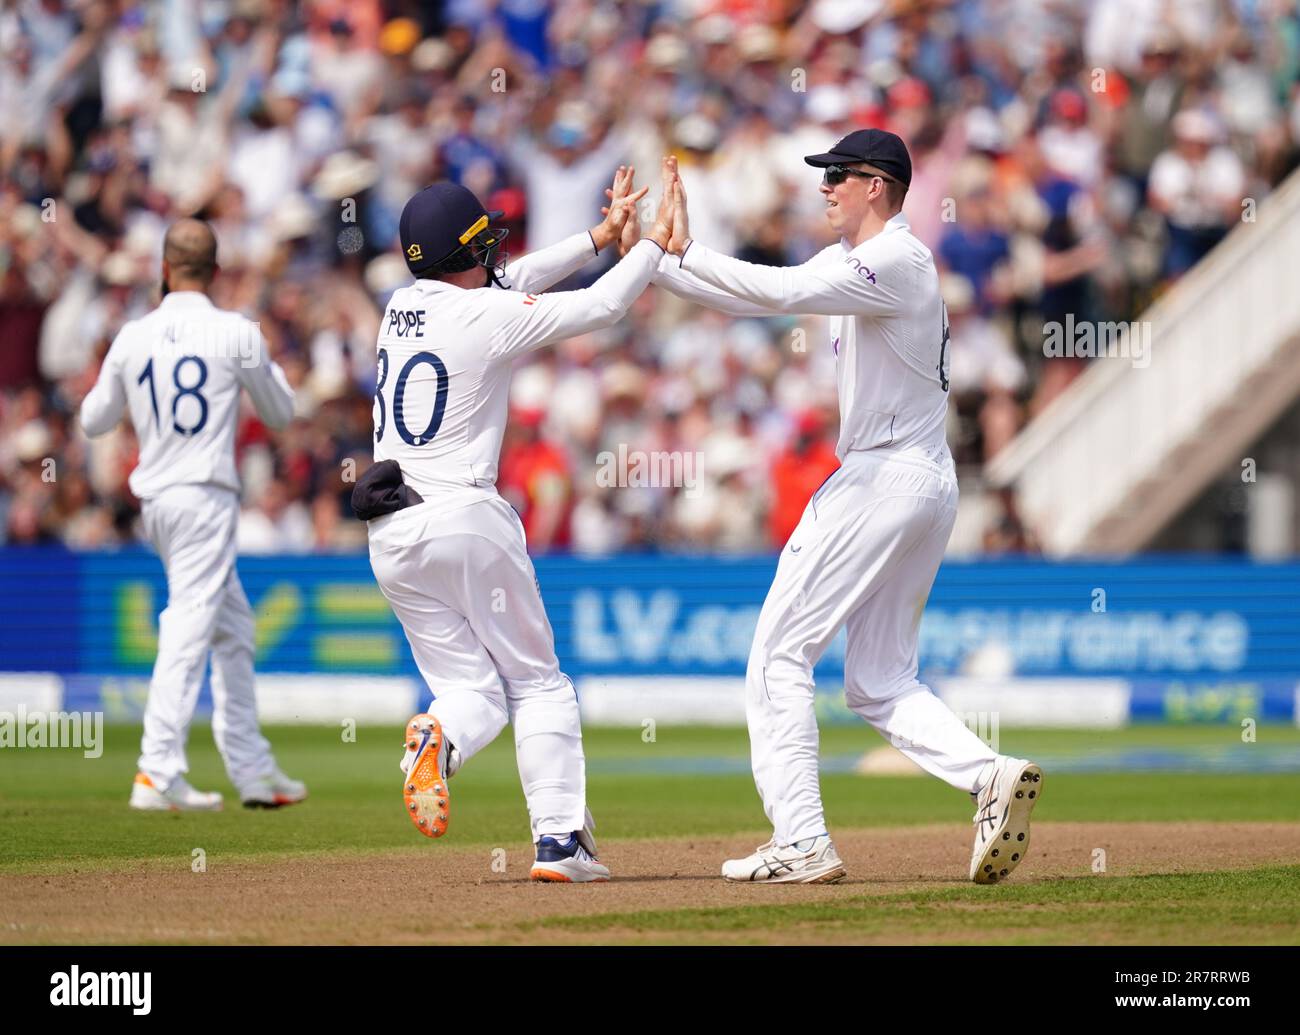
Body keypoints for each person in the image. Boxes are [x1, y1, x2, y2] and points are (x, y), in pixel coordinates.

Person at [652, 133, 1044, 884]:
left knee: (776, 656)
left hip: (882, 477)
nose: (825, 187)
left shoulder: (897, 257)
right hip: (921, 480)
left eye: (839, 176)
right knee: (878, 679)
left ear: (878, 185)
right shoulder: (866, 265)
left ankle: (800, 838)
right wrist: (665, 258)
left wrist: (684, 252)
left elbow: (778, 292)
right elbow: (757, 297)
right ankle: (987, 775)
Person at [355, 166, 676, 882]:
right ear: (465, 255)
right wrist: (654, 246)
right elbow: (600, 309)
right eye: (482, 246)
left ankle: (437, 737)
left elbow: (508, 281)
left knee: (472, 696)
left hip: (392, 534)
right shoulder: (483, 312)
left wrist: (596, 236)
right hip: (465, 517)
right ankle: (561, 842)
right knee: (539, 684)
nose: (493, 255)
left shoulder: (400, 306)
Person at [79, 218, 306, 811]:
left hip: (155, 502)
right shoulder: (234, 331)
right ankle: (156, 771)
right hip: (204, 496)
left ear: (163, 269)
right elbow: (281, 413)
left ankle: (253, 771)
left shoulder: (133, 335)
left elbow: (93, 421)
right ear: (218, 271)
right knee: (188, 624)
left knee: (232, 627)